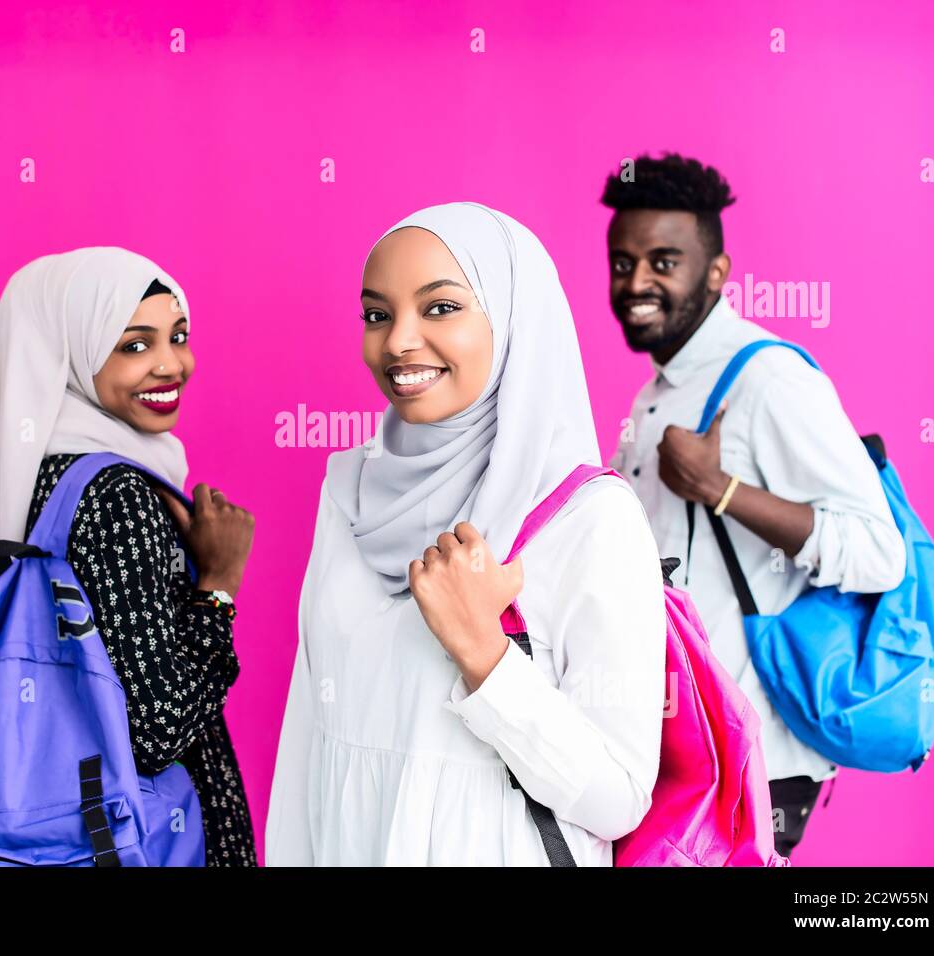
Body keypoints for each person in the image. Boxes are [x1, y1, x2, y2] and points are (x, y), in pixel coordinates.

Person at [265, 202, 667, 866]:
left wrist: (486, 655)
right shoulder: (349, 490)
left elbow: (617, 797)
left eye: (441, 307)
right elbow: (310, 735)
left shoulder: (591, 518)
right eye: (377, 314)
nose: (397, 342)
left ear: (512, 322)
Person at [599, 153, 906, 855]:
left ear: (716, 273)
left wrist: (722, 491)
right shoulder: (659, 390)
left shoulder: (768, 378)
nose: (637, 282)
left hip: (750, 753)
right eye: (623, 263)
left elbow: (879, 554)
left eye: (663, 261)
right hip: (675, 745)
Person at [0, 247, 258, 866]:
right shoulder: (116, 494)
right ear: (72, 351)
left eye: (179, 335)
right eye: (134, 345)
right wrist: (218, 584)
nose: (173, 364)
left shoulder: (33, 474)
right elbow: (159, 726)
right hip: (155, 841)